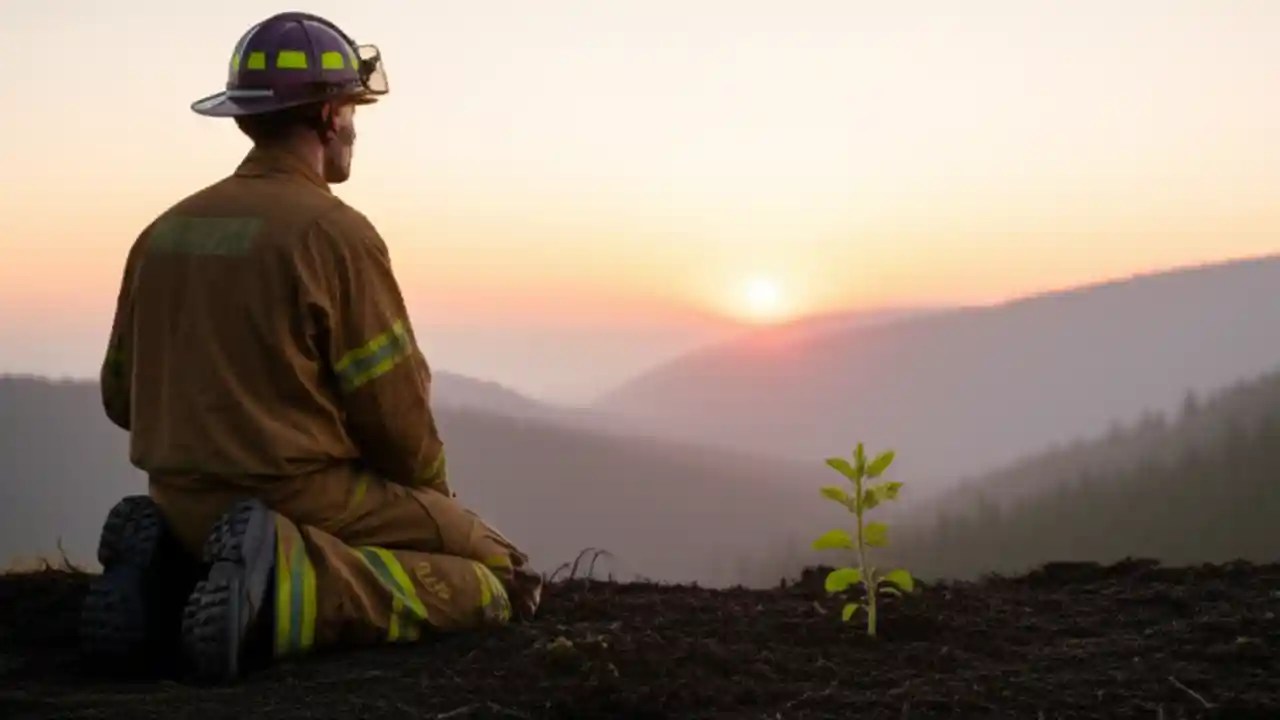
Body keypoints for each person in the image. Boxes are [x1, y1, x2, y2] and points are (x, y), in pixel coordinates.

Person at [80, 11, 542, 682]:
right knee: (501, 578)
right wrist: (434, 507)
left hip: (177, 498)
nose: (354, 124)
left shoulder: (161, 234)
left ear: (245, 117)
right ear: (328, 114)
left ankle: (171, 577)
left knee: (222, 543)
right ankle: (284, 593)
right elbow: (395, 420)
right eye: (352, 107)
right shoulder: (334, 234)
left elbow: (121, 398)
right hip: (296, 498)